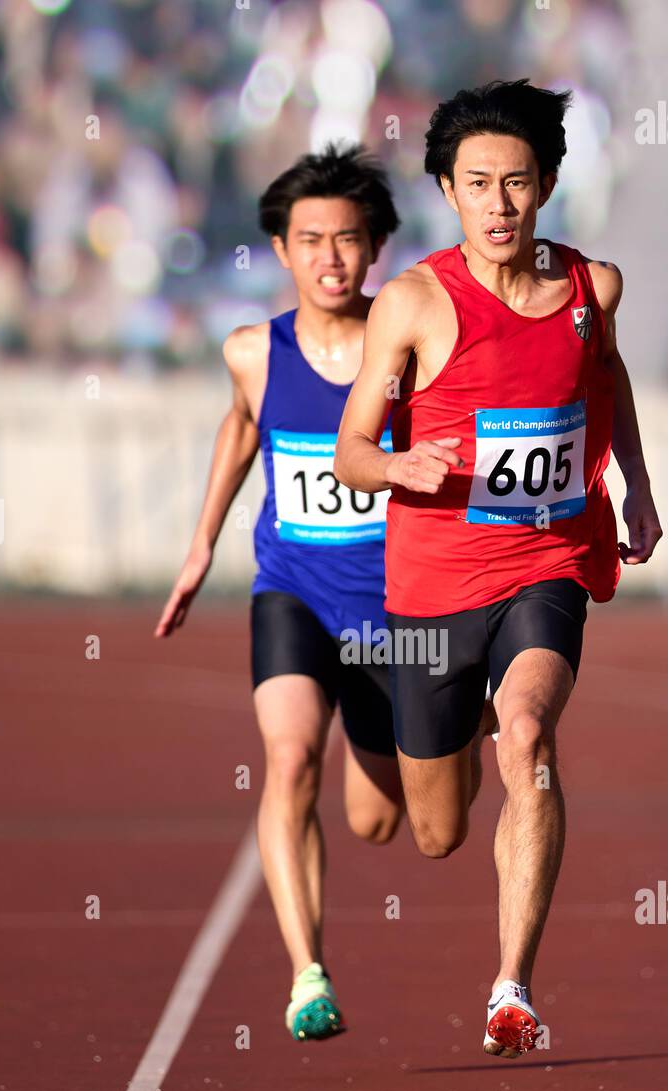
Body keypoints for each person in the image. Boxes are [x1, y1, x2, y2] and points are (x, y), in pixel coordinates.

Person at [334, 81, 663, 1058]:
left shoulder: (589, 289)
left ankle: (511, 985)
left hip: (549, 559)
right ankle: (421, 714)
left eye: (517, 183)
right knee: (433, 829)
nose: (499, 205)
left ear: (549, 183)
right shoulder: (413, 305)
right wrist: (398, 463)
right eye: (478, 183)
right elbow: (353, 448)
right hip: (435, 586)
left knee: (530, 740)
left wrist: (635, 484)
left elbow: (608, 374)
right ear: (447, 189)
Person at [155, 144, 404, 1042]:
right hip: (291, 590)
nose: (330, 259)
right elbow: (240, 426)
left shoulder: (407, 347)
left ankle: (388, 752)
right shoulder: (254, 351)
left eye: (347, 240)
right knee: (290, 757)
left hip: (391, 615)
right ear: (280, 248)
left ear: (376, 247)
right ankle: (308, 973)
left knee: (379, 821)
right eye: (310, 241)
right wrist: (200, 547)